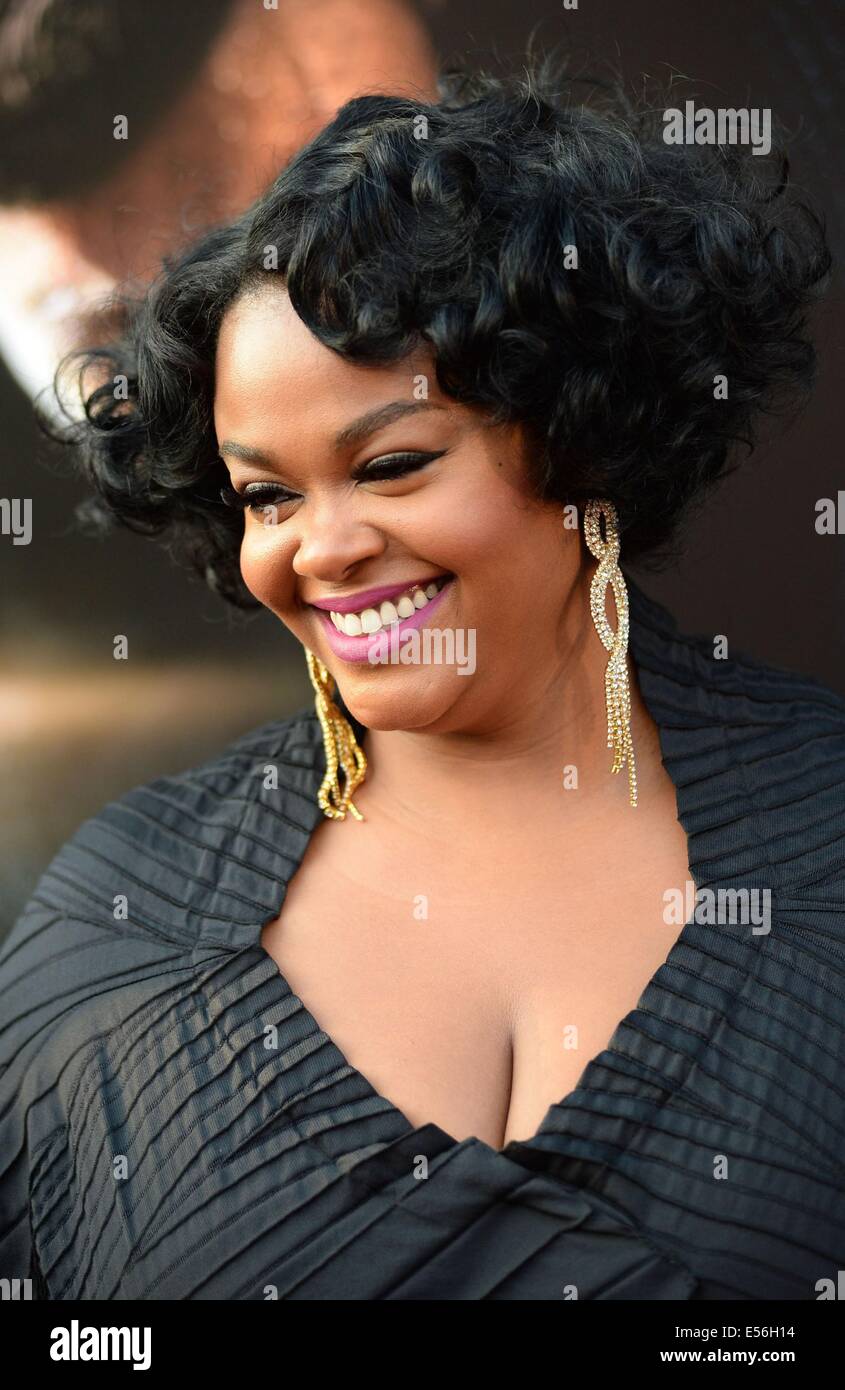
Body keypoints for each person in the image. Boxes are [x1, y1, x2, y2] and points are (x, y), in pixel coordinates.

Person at [1, 59, 843, 1301]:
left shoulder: (822, 841)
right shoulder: (121, 918)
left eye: (390, 465)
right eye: (268, 496)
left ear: (578, 442)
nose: (320, 547)